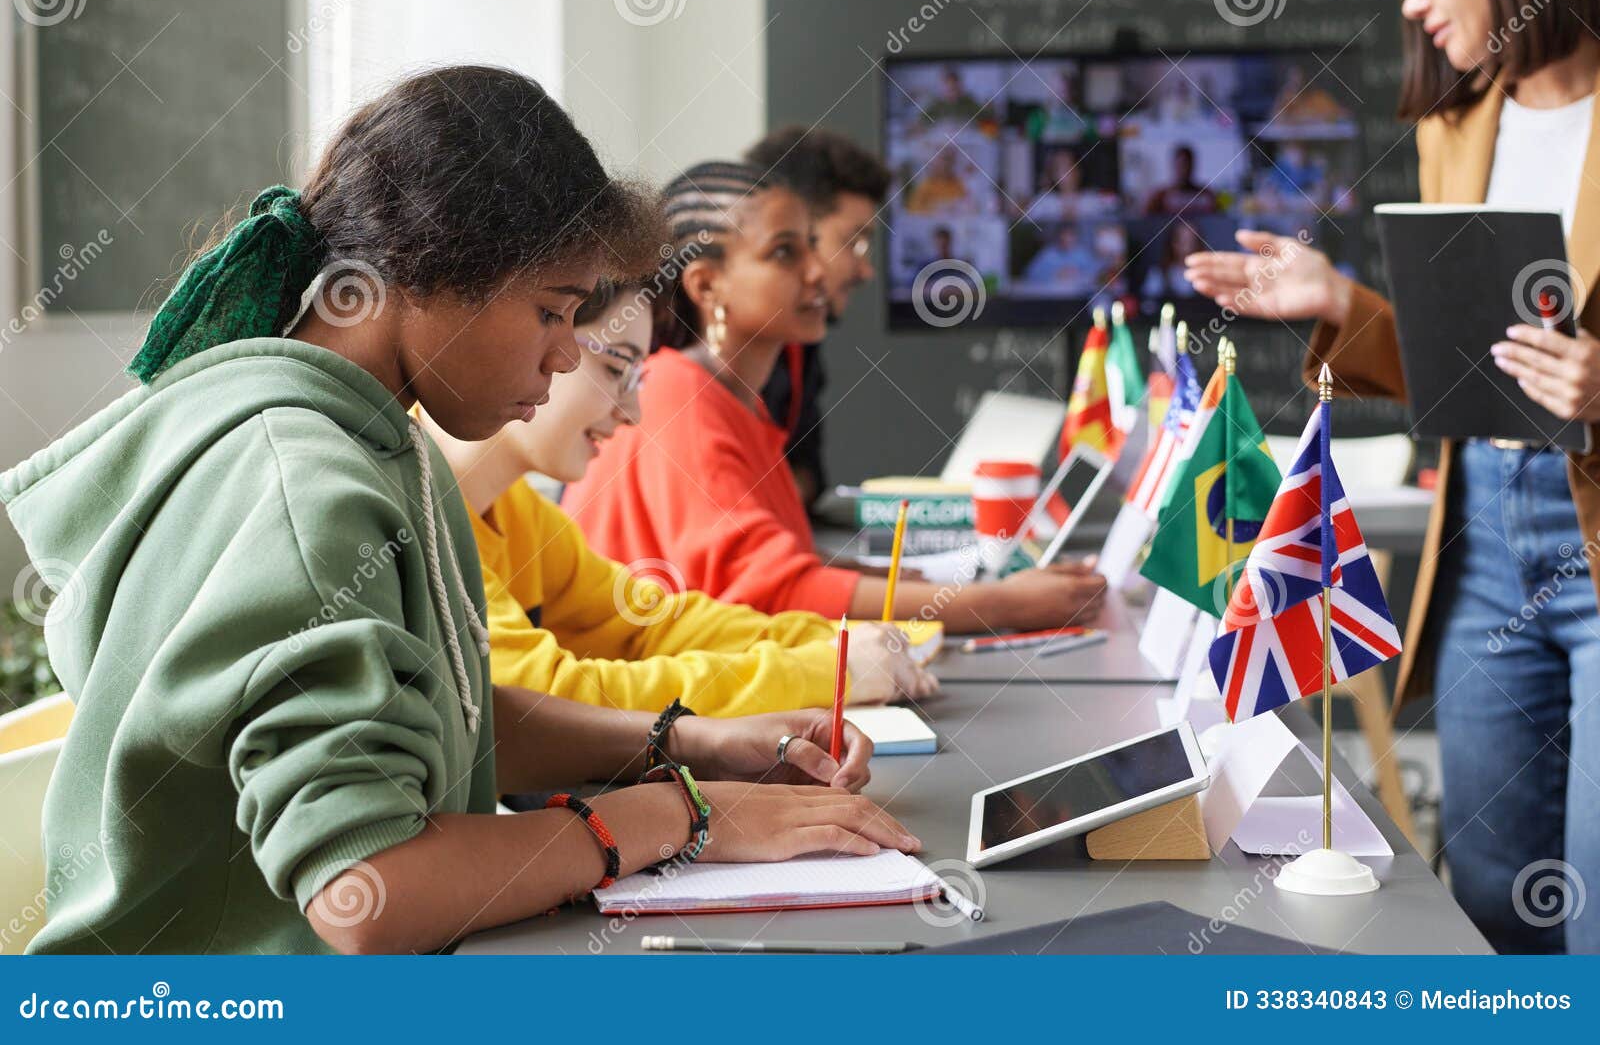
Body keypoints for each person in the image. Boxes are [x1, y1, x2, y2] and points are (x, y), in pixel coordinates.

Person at [0, 68, 917, 956]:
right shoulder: (301, 483)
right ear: (434, 266)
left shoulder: (383, 446)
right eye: (553, 313)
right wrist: (681, 817)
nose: (563, 359)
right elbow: (368, 892)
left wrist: (685, 745)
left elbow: (450, 725)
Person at [1182, 0, 1600, 955]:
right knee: (1494, 889)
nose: (1409, 5)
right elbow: (1476, 366)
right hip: (1491, 540)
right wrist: (1337, 302)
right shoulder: (1459, 122)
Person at [563, 161, 1108, 633]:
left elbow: (781, 570)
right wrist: (1000, 603)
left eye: (813, 247)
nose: (817, 272)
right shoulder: (677, 391)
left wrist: (907, 581)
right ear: (706, 286)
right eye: (784, 253)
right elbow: (770, 594)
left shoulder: (738, 401)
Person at [424, 276, 937, 714]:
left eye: (635, 377)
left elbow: (649, 623)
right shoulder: (421, 510)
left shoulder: (514, 511)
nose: (632, 413)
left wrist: (834, 645)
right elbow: (549, 699)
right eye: (614, 368)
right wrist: (823, 671)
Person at [745, 127, 890, 508]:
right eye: (853, 241)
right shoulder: (679, 365)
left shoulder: (800, 346)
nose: (865, 271)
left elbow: (809, 473)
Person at [1143, 144, 1220, 217]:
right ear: (1174, 165)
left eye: (1188, 164)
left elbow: (1219, 220)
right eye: (1182, 165)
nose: (1185, 169)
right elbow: (1145, 221)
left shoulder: (1207, 195)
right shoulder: (1160, 196)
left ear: (1193, 165)